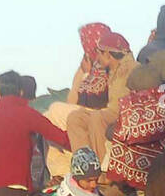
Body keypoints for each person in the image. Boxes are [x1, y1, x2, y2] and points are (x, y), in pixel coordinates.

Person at [43, 22, 114, 181]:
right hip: (86, 116)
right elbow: (72, 102)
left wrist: (86, 74)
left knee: (54, 109)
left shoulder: (111, 63)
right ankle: (61, 172)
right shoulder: (89, 69)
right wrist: (82, 73)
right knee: (48, 117)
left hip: (106, 116)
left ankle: (64, 170)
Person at [104, 64, 165, 193]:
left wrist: (117, 129)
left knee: (117, 140)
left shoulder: (136, 107)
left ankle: (125, 186)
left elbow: (117, 133)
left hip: (154, 168)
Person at [65, 32, 138, 164]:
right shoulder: (109, 69)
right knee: (75, 118)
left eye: (99, 53)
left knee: (97, 118)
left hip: (125, 114)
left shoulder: (131, 68)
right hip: (110, 112)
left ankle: (100, 168)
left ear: (108, 54)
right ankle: (84, 164)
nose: (97, 58)